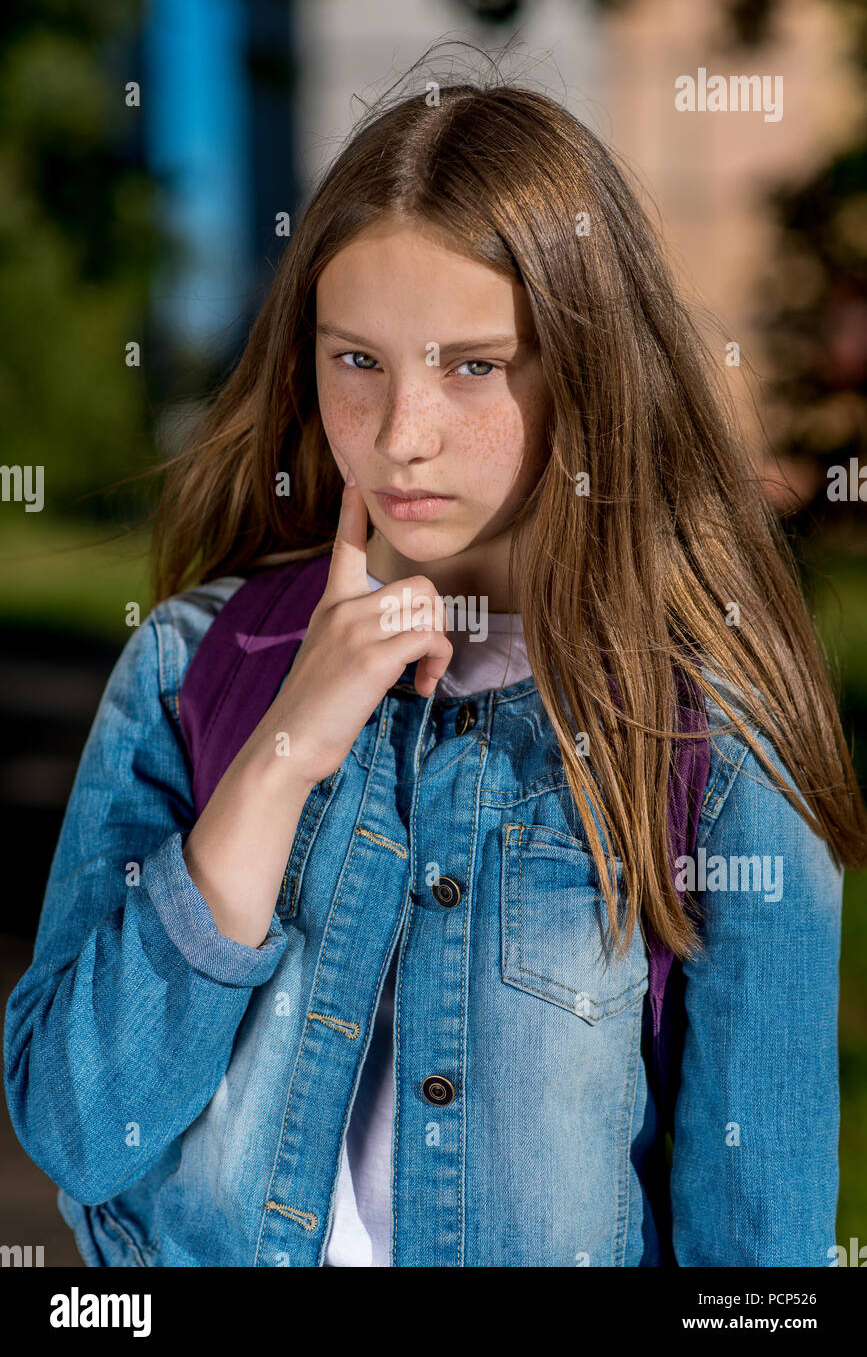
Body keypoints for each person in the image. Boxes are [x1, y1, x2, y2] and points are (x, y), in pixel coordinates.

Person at [5, 78, 865, 1268]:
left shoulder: (710, 745)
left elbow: (757, 1254)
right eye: (358, 358)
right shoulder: (190, 665)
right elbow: (78, 1129)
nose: (403, 429)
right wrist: (284, 756)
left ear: (588, 366)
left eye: (473, 366)